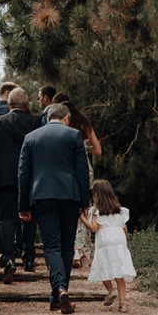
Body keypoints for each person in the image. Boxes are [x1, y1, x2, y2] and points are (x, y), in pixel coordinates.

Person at [17, 102, 91, 314]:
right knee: (67, 246)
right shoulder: (74, 136)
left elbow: (23, 174)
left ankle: (57, 293)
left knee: (51, 246)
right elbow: (82, 171)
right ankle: (60, 290)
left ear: (49, 117)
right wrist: (85, 202)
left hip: (42, 196)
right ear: (66, 118)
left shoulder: (31, 138)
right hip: (69, 196)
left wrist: (23, 205)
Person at [0, 87, 42, 281]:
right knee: (29, 216)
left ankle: (8, 259)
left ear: (8, 104)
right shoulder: (35, 122)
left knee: (6, 218)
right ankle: (28, 258)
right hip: (30, 178)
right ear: (27, 105)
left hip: (3, 177)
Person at [53, 93, 102, 266]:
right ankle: (79, 250)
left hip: (66, 167)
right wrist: (85, 148)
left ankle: (69, 247)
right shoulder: (85, 125)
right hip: (84, 167)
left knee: (66, 204)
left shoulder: (63, 128)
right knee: (84, 205)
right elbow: (98, 150)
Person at [79, 179, 137, 312]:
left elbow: (94, 228)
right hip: (118, 243)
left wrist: (82, 218)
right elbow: (125, 229)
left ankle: (111, 292)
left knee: (102, 269)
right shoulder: (119, 209)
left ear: (96, 195)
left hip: (104, 242)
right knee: (119, 274)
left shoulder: (96, 210)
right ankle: (123, 303)